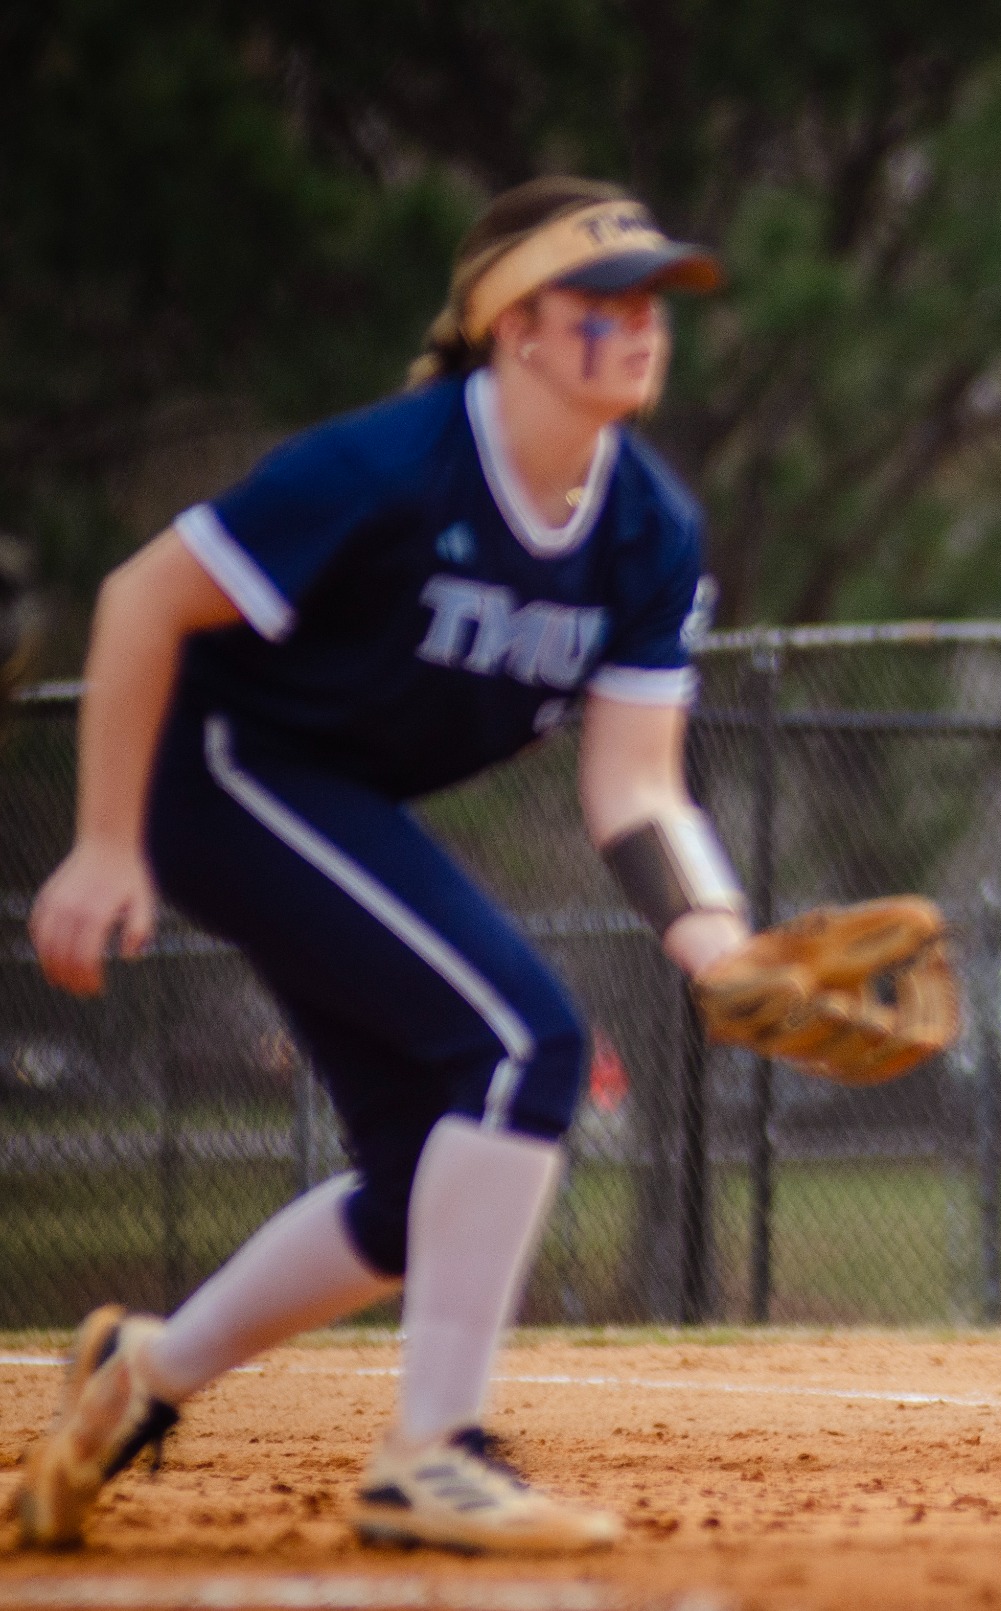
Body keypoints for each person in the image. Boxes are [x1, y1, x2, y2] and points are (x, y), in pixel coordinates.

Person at [18, 177, 759, 1552]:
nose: (641, 325)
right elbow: (142, 597)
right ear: (513, 327)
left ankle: (145, 1373)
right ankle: (431, 1450)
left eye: (652, 298)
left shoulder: (650, 529)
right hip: (221, 766)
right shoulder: (388, 466)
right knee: (528, 1044)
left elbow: (636, 784)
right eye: (601, 300)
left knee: (428, 1176)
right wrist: (107, 838)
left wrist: (721, 939)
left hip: (336, 792)